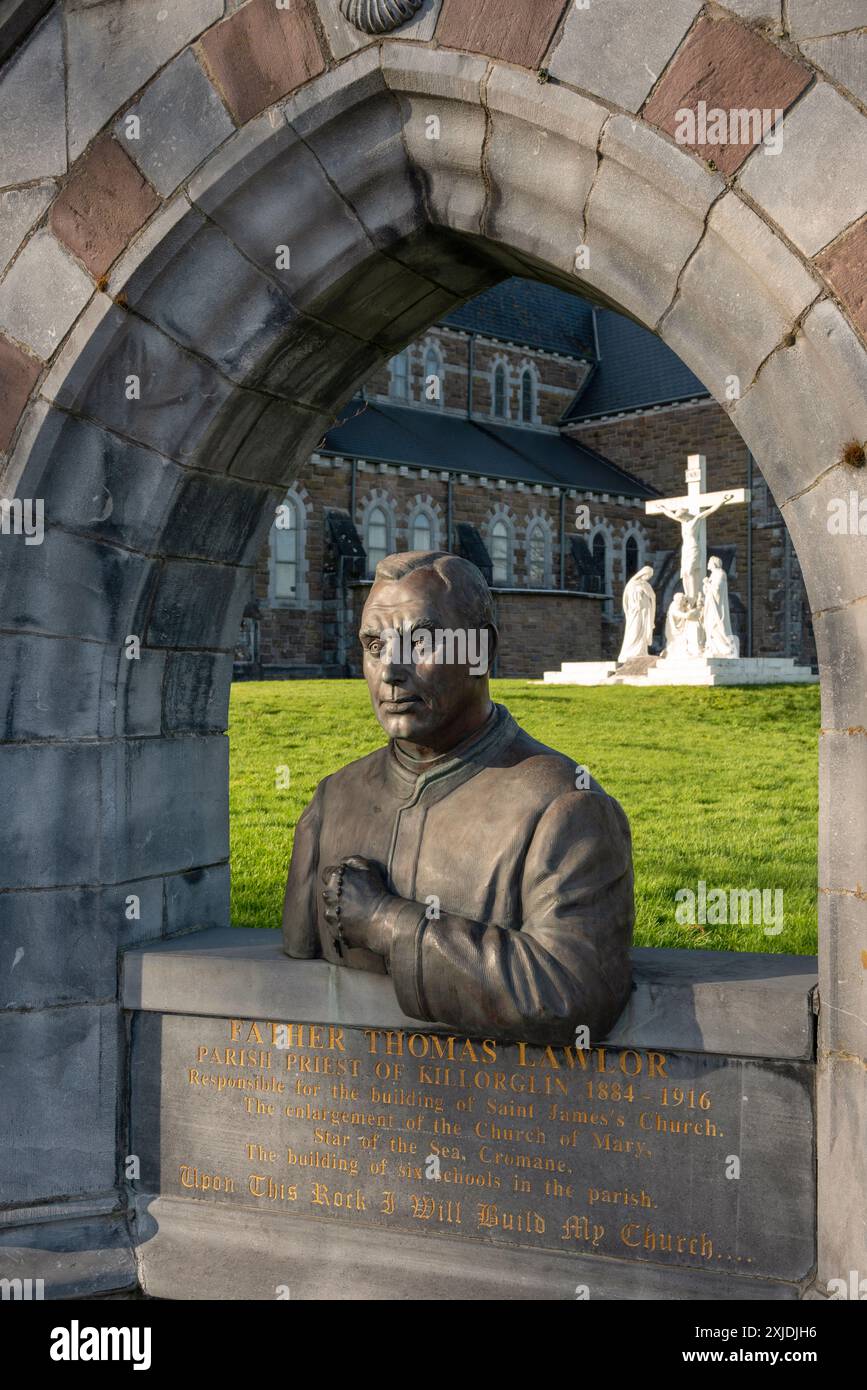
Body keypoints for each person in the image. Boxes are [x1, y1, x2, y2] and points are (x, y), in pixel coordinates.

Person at [282, 551, 634, 1044]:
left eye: (420, 641)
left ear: (480, 652)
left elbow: (572, 993)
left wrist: (386, 921)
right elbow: (295, 963)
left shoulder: (564, 808)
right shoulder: (331, 802)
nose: (390, 670)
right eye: (374, 644)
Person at [703, 555, 739, 657]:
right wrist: (706, 586)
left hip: (717, 606)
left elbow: (717, 589)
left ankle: (724, 648)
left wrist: (707, 583)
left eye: (709, 562)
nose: (708, 564)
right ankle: (712, 648)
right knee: (709, 625)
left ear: (714, 563)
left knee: (716, 625)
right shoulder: (713, 575)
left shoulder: (720, 573)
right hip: (710, 604)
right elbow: (708, 591)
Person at [618, 564, 656, 662]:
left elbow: (653, 597)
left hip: (644, 612)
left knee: (642, 631)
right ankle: (629, 652)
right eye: (648, 575)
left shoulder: (646, 585)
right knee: (633, 631)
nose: (648, 578)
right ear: (643, 573)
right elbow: (626, 600)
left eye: (650, 576)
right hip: (634, 612)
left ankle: (640, 651)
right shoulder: (631, 584)